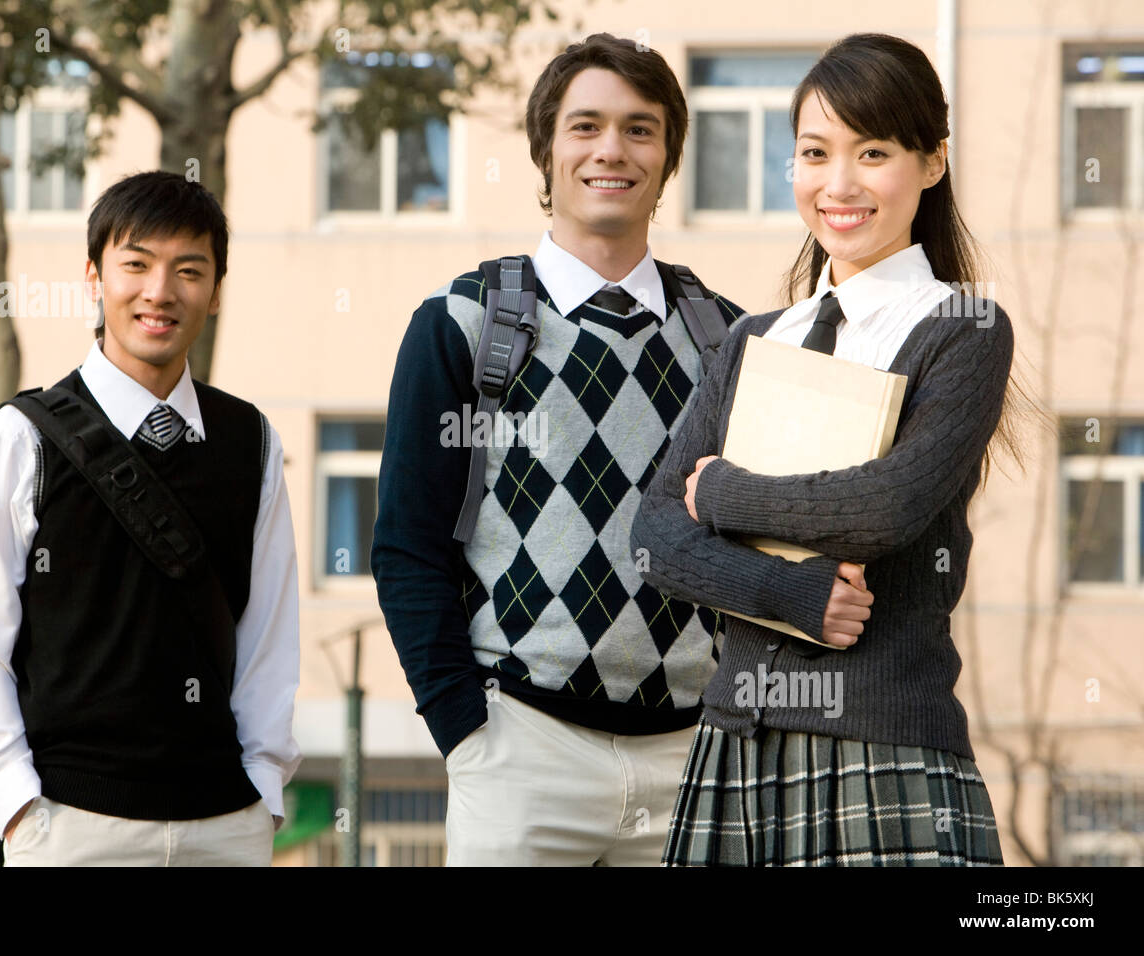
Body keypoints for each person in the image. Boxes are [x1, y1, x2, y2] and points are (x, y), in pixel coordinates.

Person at [631, 32, 1016, 866]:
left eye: (872, 151)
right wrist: (788, 591)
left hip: (886, 749)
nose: (839, 184)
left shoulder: (963, 331)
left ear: (933, 161)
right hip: (735, 743)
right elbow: (654, 534)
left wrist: (723, 493)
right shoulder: (751, 339)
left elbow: (885, 508)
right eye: (815, 152)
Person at [371, 33, 753, 866]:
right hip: (521, 751)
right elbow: (406, 544)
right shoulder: (460, 323)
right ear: (546, 151)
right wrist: (463, 729)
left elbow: (752, 544)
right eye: (585, 126)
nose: (611, 149)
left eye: (639, 128)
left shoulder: (730, 339)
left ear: (668, 156)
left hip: (689, 759)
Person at [0, 171, 300, 866]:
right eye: (136, 265)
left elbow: (269, 640)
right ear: (95, 278)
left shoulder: (249, 440)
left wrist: (263, 796)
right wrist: (20, 812)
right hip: (68, 829)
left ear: (216, 290)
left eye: (189, 270)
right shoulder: (16, 440)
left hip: (223, 827)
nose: (160, 292)